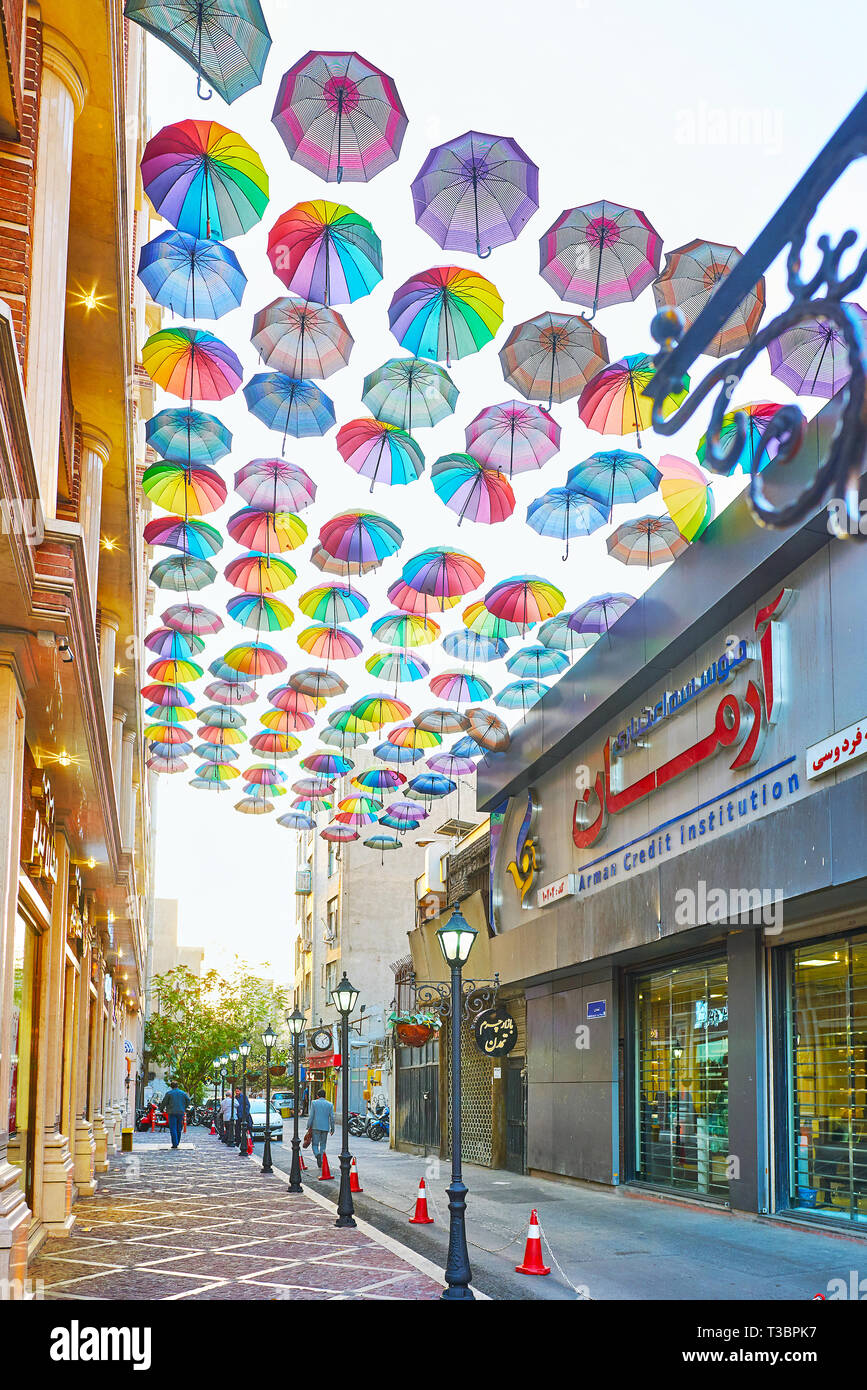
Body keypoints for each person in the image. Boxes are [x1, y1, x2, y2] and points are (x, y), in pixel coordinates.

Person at [305, 1088, 334, 1169]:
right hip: (325, 1128)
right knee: (323, 1145)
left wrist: (308, 1126)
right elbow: (332, 1117)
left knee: (315, 1144)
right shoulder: (330, 1104)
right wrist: (332, 1128)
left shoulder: (314, 1103)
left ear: (317, 1096)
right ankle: (321, 1160)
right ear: (325, 1096)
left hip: (315, 1127)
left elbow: (311, 1116)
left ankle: (317, 1154)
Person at [161, 1080, 190, 1149]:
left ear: (171, 1086)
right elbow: (188, 1100)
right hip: (180, 1112)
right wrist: (184, 1107)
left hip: (171, 1112)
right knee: (179, 1127)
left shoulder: (169, 1093)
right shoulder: (183, 1093)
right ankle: (177, 1142)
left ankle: (175, 1143)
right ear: (178, 1086)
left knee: (173, 1128)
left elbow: (164, 1102)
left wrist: (161, 1109)